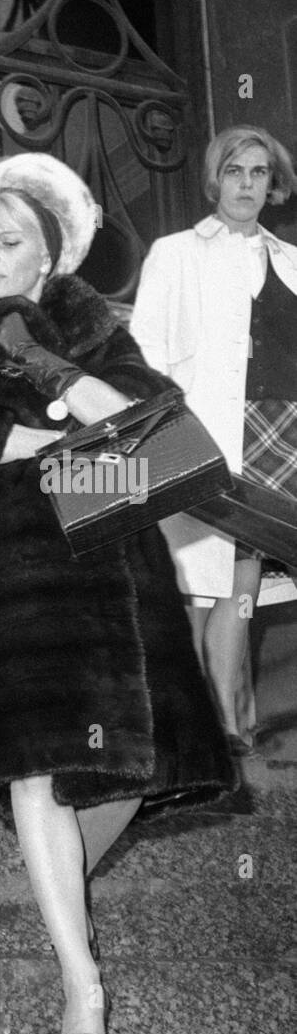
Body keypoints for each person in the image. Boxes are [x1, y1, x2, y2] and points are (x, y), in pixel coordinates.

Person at [0, 153, 234, 1034]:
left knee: (143, 764)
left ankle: (56, 899)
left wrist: (46, 369)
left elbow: (153, 429)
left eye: (9, 241)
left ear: (50, 254)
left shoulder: (95, 331)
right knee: (37, 769)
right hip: (19, 573)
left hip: (121, 576)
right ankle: (80, 982)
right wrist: (56, 430)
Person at [130, 125, 297, 755]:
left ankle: (225, 720)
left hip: (279, 433)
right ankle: (199, 724)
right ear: (214, 179)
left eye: (259, 172)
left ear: (273, 184)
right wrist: (161, 437)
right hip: (205, 431)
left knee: (243, 582)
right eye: (234, 171)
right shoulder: (176, 252)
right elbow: (143, 354)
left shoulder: (292, 261)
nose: (246, 184)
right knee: (199, 582)